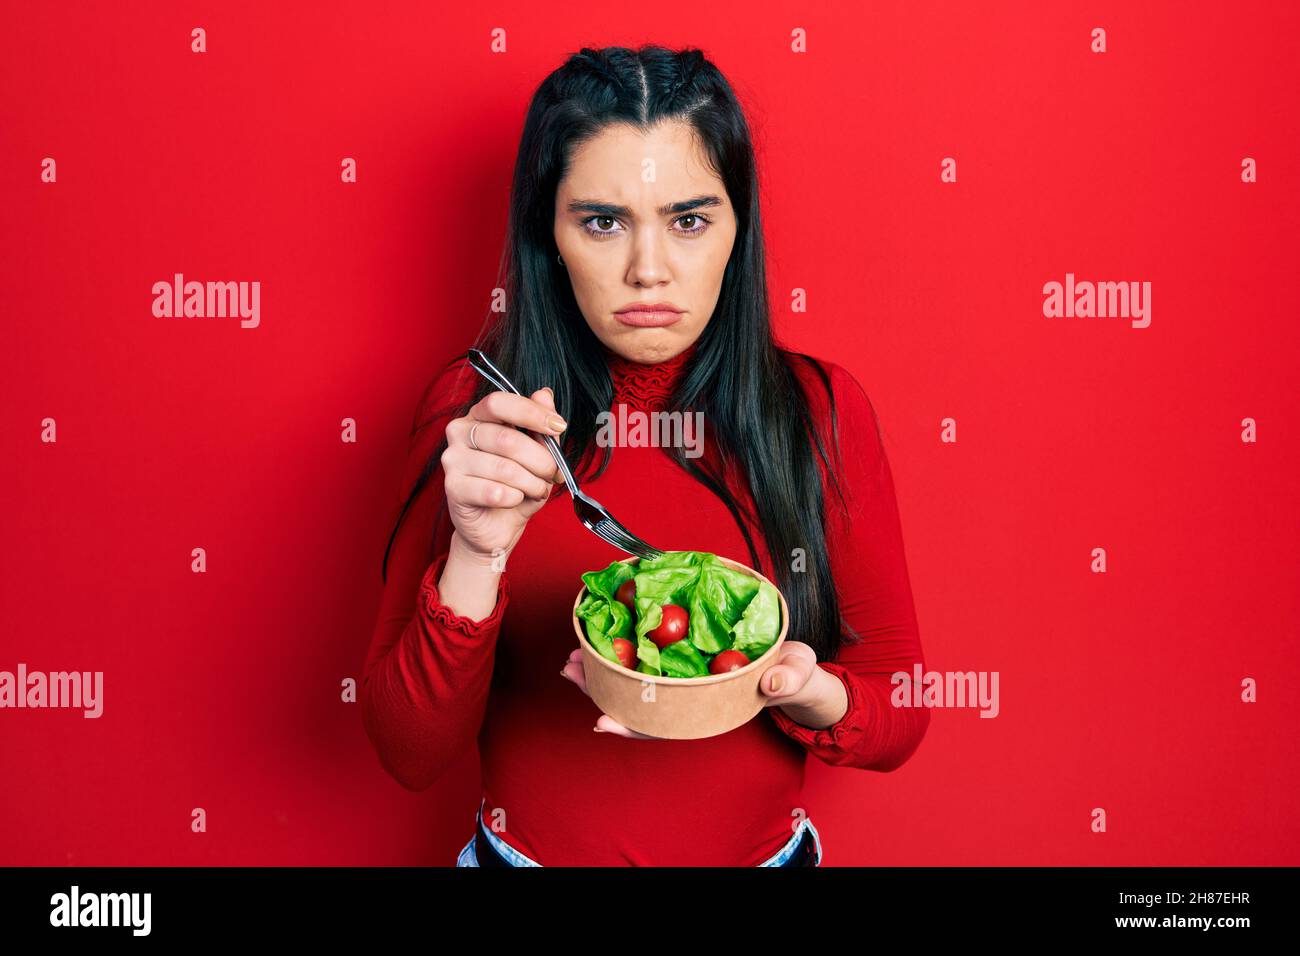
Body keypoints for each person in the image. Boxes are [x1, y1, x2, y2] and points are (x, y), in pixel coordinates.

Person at [360, 44, 930, 866]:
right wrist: (477, 555)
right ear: (548, 234)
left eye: (690, 220)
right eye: (602, 221)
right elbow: (408, 753)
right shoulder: (478, 413)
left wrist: (805, 692)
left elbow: (900, 712)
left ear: (740, 229)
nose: (648, 269)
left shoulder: (820, 412)